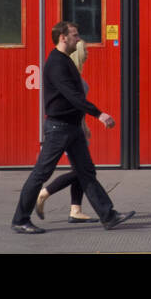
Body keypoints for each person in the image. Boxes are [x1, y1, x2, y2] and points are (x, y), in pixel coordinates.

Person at [10, 21, 135, 233]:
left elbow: (74, 97)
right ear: (63, 37)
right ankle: (20, 219)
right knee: (41, 173)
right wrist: (99, 113)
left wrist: (82, 123)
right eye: (75, 35)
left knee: (86, 172)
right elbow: (73, 96)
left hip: (71, 128)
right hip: (59, 129)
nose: (78, 39)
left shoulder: (65, 60)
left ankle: (108, 215)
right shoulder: (56, 63)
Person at [35, 39, 96, 223]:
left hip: (76, 128)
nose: (87, 52)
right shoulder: (72, 78)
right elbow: (75, 105)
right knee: (84, 170)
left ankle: (75, 210)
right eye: (85, 49)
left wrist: (84, 127)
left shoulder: (76, 76)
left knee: (80, 169)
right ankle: (44, 193)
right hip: (68, 130)